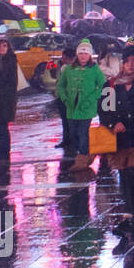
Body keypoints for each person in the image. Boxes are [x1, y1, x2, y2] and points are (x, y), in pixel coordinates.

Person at [99, 44, 134, 229]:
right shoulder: (112, 84)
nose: (130, 65)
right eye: (127, 61)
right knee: (124, 176)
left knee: (132, 172)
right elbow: (104, 109)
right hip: (120, 140)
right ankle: (132, 210)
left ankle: (130, 212)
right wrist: (113, 123)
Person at [56, 40, 106, 172]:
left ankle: (83, 159)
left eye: (86, 53)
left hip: (87, 107)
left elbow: (102, 84)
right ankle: (84, 153)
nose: (83, 56)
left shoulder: (94, 69)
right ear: (77, 54)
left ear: (89, 55)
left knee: (83, 132)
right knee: (73, 133)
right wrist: (65, 98)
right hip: (71, 107)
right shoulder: (69, 69)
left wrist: (94, 97)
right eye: (81, 53)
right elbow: (60, 85)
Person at [0, 39, 20, 164]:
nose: (1, 48)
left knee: (2, 128)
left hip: (5, 100)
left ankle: (2, 155)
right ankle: (0, 154)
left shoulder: (10, 61)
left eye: (5, 45)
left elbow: (6, 81)